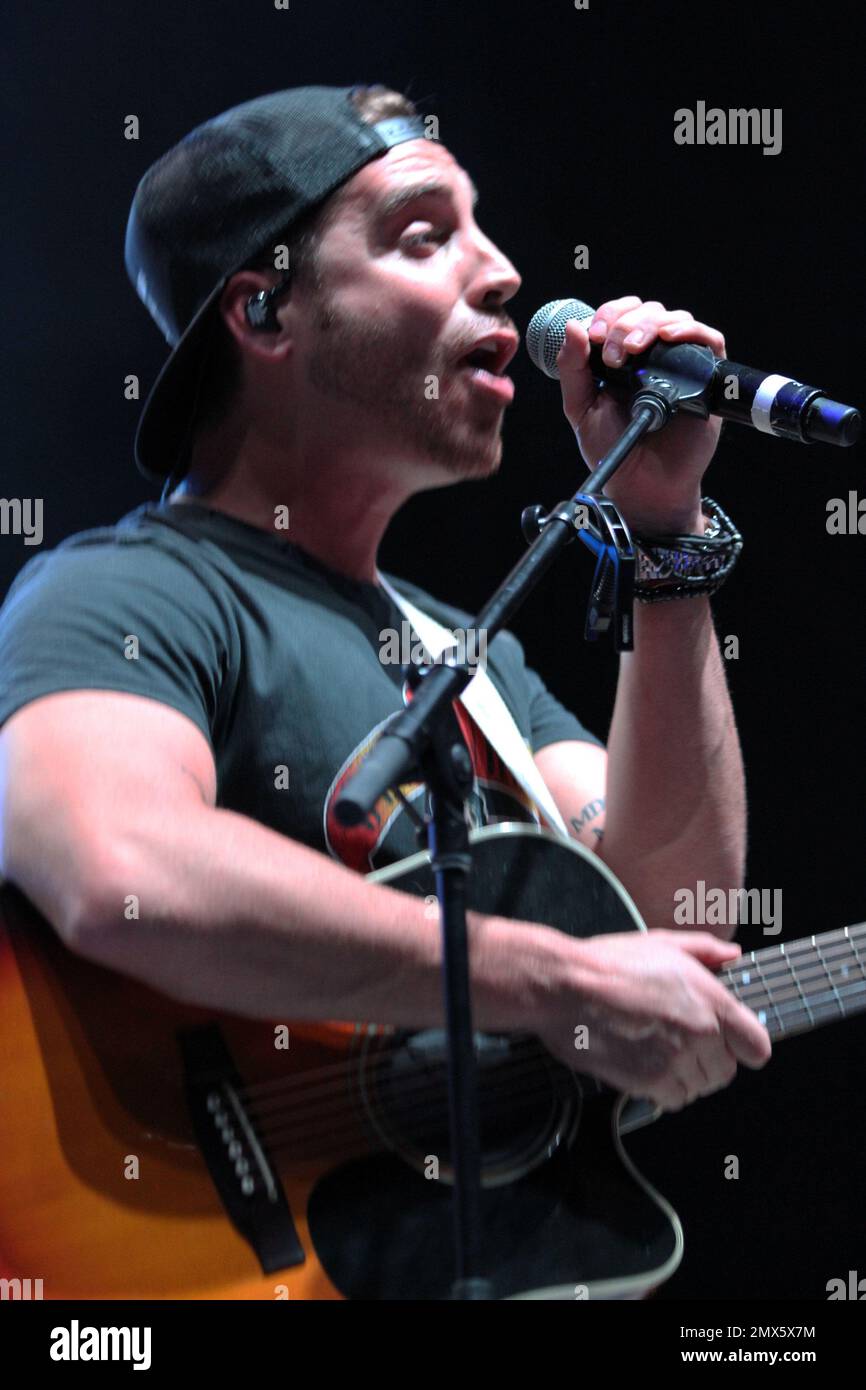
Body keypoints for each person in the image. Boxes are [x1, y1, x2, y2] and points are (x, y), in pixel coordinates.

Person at [0, 83, 770, 1129]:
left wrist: (664, 531)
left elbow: (672, 918)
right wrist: (541, 978)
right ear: (262, 309)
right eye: (422, 238)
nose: (501, 274)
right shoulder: (130, 594)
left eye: (482, 232)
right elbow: (116, 869)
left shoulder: (471, 656)